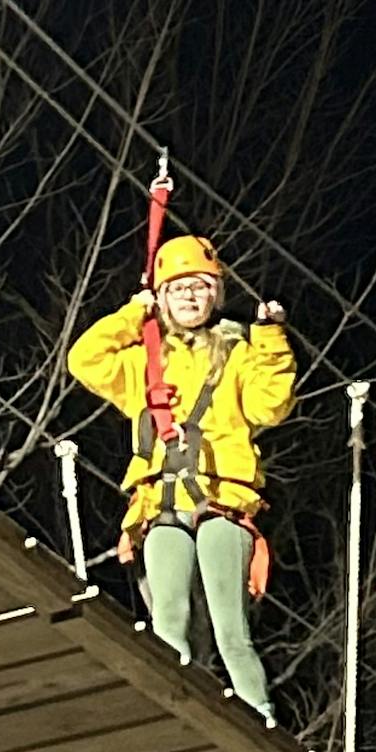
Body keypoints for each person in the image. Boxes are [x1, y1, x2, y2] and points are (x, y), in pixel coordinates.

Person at [68, 233, 293, 721]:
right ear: (163, 297)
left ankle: (260, 715)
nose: (190, 296)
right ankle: (172, 710)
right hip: (161, 505)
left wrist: (270, 339)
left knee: (230, 629)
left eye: (200, 287)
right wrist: (135, 313)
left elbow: (269, 406)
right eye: (178, 288)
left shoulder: (238, 354)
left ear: (215, 295)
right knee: (168, 622)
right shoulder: (145, 361)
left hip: (221, 501)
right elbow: (84, 360)